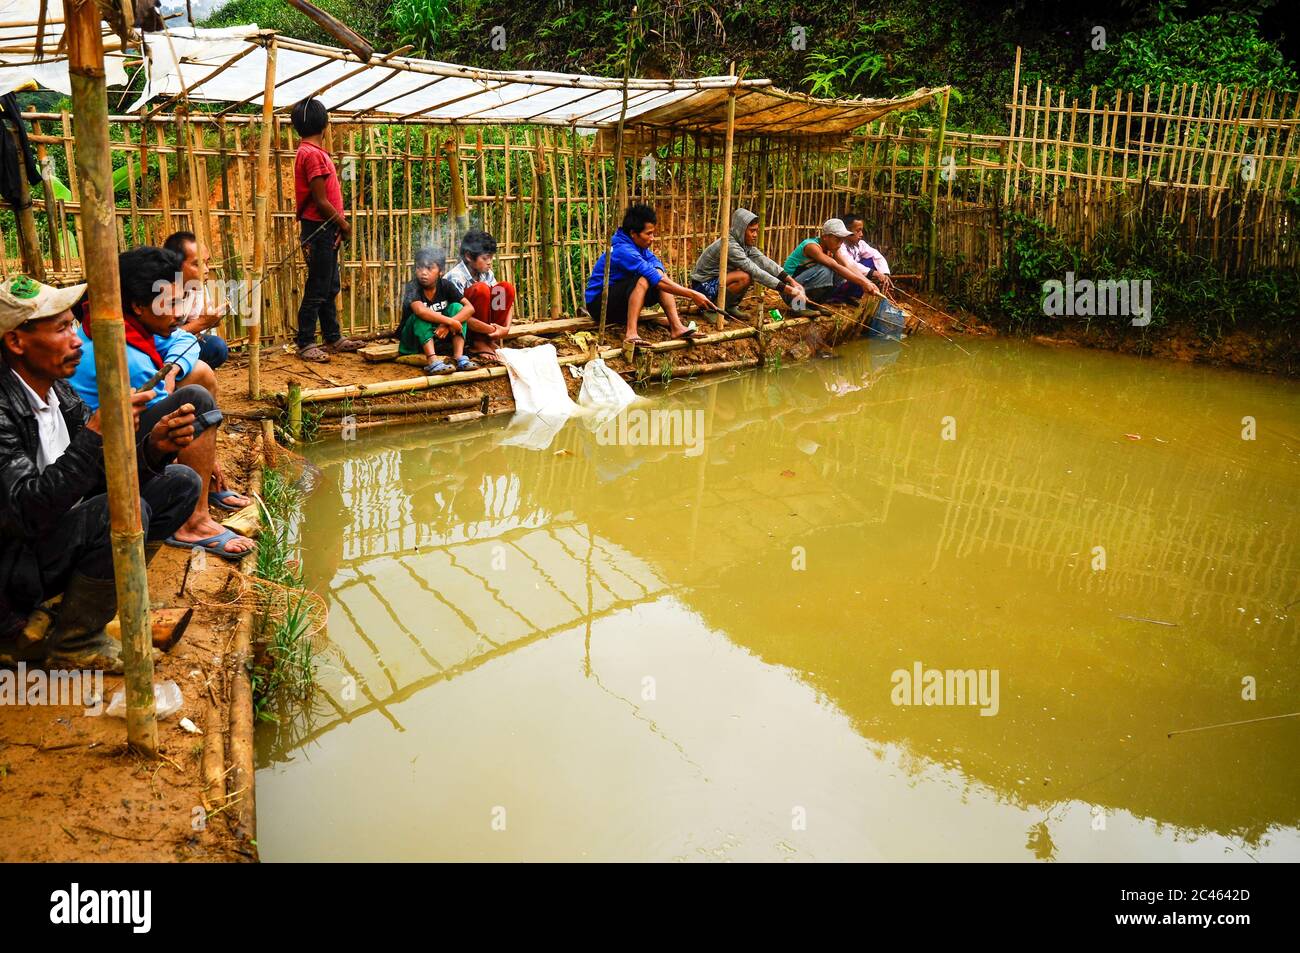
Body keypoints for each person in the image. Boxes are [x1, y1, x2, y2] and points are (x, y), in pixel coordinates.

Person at [0, 274, 202, 672]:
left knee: (180, 485)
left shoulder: (58, 391)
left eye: (72, 325)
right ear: (16, 342)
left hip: (53, 542)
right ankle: (75, 643)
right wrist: (95, 434)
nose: (76, 339)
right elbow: (25, 512)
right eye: (61, 329)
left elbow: (92, 478)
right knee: (119, 511)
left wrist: (153, 449)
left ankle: (96, 604)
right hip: (14, 568)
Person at [70, 247, 255, 561]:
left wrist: (172, 370)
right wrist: (201, 451)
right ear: (138, 305)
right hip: (102, 464)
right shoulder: (124, 355)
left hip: (117, 441)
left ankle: (200, 493)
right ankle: (191, 523)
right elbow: (170, 426)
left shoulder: (123, 325)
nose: (179, 313)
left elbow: (182, 339)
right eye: (170, 304)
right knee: (195, 401)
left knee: (198, 373)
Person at [291, 97, 363, 363]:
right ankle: (306, 342)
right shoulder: (312, 155)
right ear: (325, 124)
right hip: (319, 228)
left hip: (324, 228)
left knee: (329, 284)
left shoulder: (309, 152)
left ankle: (333, 336)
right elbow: (321, 201)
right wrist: (343, 224)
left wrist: (336, 225)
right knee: (318, 286)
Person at [584, 204, 708, 345]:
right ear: (633, 233)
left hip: (620, 303)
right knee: (646, 279)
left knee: (659, 278)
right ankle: (631, 333)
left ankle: (677, 327)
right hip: (600, 306)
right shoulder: (623, 250)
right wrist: (692, 294)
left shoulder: (638, 246)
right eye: (648, 234)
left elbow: (655, 263)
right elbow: (653, 276)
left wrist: (659, 272)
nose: (652, 238)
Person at [689, 208, 804, 317]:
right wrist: (789, 290)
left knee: (746, 275)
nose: (755, 235)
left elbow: (765, 262)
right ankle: (711, 310)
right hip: (702, 287)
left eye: (756, 231)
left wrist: (791, 281)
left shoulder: (743, 243)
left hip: (716, 280)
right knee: (745, 276)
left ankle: (729, 307)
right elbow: (755, 271)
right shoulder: (731, 246)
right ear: (741, 230)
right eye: (752, 231)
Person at [396, 247, 482, 375]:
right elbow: (420, 311)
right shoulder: (412, 286)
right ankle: (432, 361)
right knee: (421, 316)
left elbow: (469, 308)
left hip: (438, 336)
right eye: (419, 268)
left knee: (456, 307)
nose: (423, 272)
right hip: (413, 341)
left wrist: (448, 323)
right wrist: (450, 322)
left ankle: (458, 357)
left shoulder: (446, 285)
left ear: (441, 271)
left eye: (429, 268)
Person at [444, 229, 516, 365]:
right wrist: (492, 330)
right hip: (461, 330)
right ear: (468, 256)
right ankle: (478, 342)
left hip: (489, 329)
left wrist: (505, 329)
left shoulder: (486, 273)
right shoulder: (455, 277)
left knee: (504, 289)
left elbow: (507, 304)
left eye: (491, 257)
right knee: (481, 289)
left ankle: (489, 340)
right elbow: (457, 316)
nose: (490, 262)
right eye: (485, 258)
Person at [162, 230, 230, 370]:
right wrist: (202, 323)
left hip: (181, 343)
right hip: (158, 347)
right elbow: (161, 338)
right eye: (197, 264)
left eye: (207, 262)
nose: (206, 270)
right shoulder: (161, 289)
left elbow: (192, 328)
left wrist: (208, 321)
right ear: (175, 265)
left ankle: (180, 371)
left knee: (217, 348)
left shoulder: (196, 287)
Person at [781, 218, 882, 305]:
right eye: (837, 239)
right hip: (789, 290)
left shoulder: (833, 249)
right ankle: (797, 306)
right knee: (827, 270)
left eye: (842, 240)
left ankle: (813, 304)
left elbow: (848, 265)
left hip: (801, 287)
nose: (840, 243)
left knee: (840, 275)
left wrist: (868, 282)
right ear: (825, 237)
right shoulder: (811, 246)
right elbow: (835, 266)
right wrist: (863, 283)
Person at [837, 212, 894, 296]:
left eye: (861, 230)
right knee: (868, 268)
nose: (861, 234)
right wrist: (874, 273)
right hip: (842, 283)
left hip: (857, 280)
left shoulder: (860, 244)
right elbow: (850, 264)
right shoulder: (839, 246)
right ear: (847, 231)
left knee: (872, 260)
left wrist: (884, 274)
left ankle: (865, 293)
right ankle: (851, 295)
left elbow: (876, 255)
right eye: (858, 231)